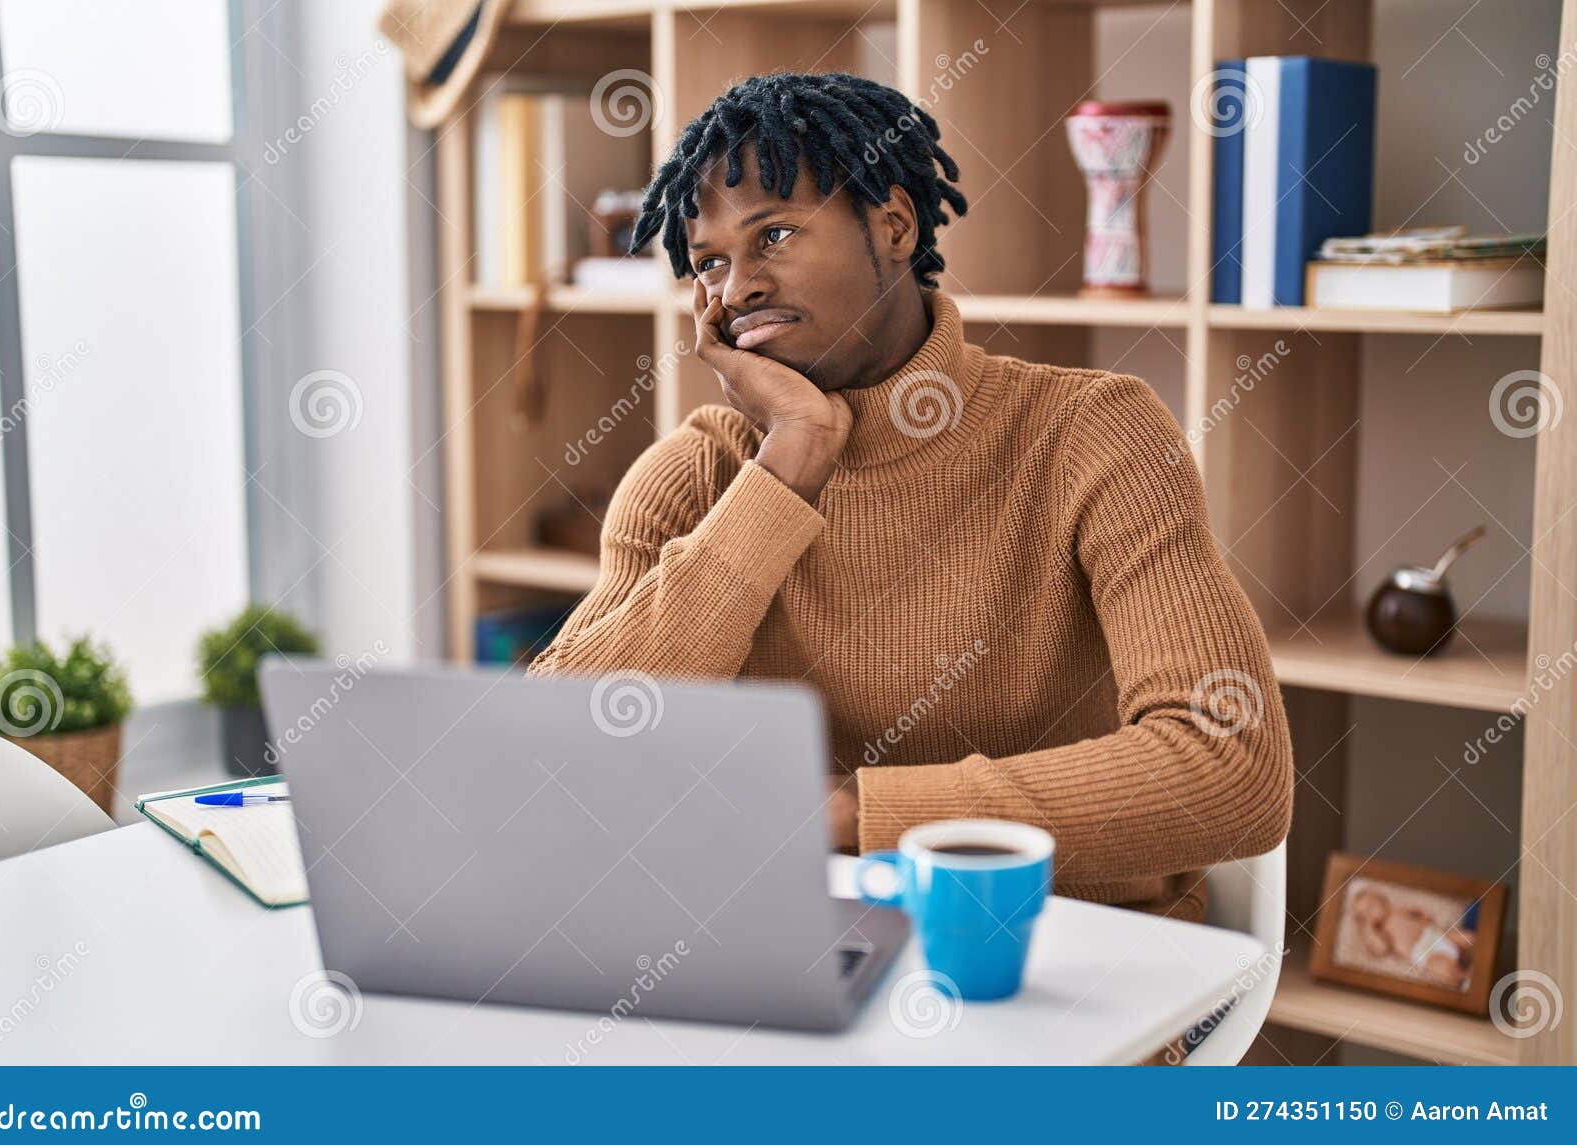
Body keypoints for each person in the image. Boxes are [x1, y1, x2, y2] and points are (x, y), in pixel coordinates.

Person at [528, 72, 1292, 921]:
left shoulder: (1092, 435)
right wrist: (789, 465)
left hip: (1071, 944)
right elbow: (560, 756)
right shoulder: (701, 475)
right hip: (787, 936)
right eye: (709, 262)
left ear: (893, 225)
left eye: (773, 235)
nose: (735, 287)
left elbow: (1231, 768)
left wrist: (861, 812)